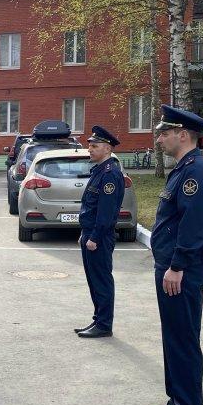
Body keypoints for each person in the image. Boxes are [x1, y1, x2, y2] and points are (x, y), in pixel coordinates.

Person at [147, 105, 203, 405]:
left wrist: (176, 266)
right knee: (173, 335)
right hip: (171, 267)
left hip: (181, 271)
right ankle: (177, 399)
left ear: (183, 134)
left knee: (184, 337)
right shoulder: (182, 168)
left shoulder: (195, 172)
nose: (159, 138)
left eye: (164, 132)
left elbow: (192, 225)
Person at [75, 125, 125, 339]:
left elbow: (106, 212)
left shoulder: (110, 174)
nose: (90, 150)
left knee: (101, 280)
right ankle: (98, 319)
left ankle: (104, 324)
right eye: (90, 146)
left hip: (100, 237)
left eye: (94, 146)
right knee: (93, 280)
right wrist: (85, 233)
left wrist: (94, 236)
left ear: (107, 148)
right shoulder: (99, 170)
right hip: (90, 233)